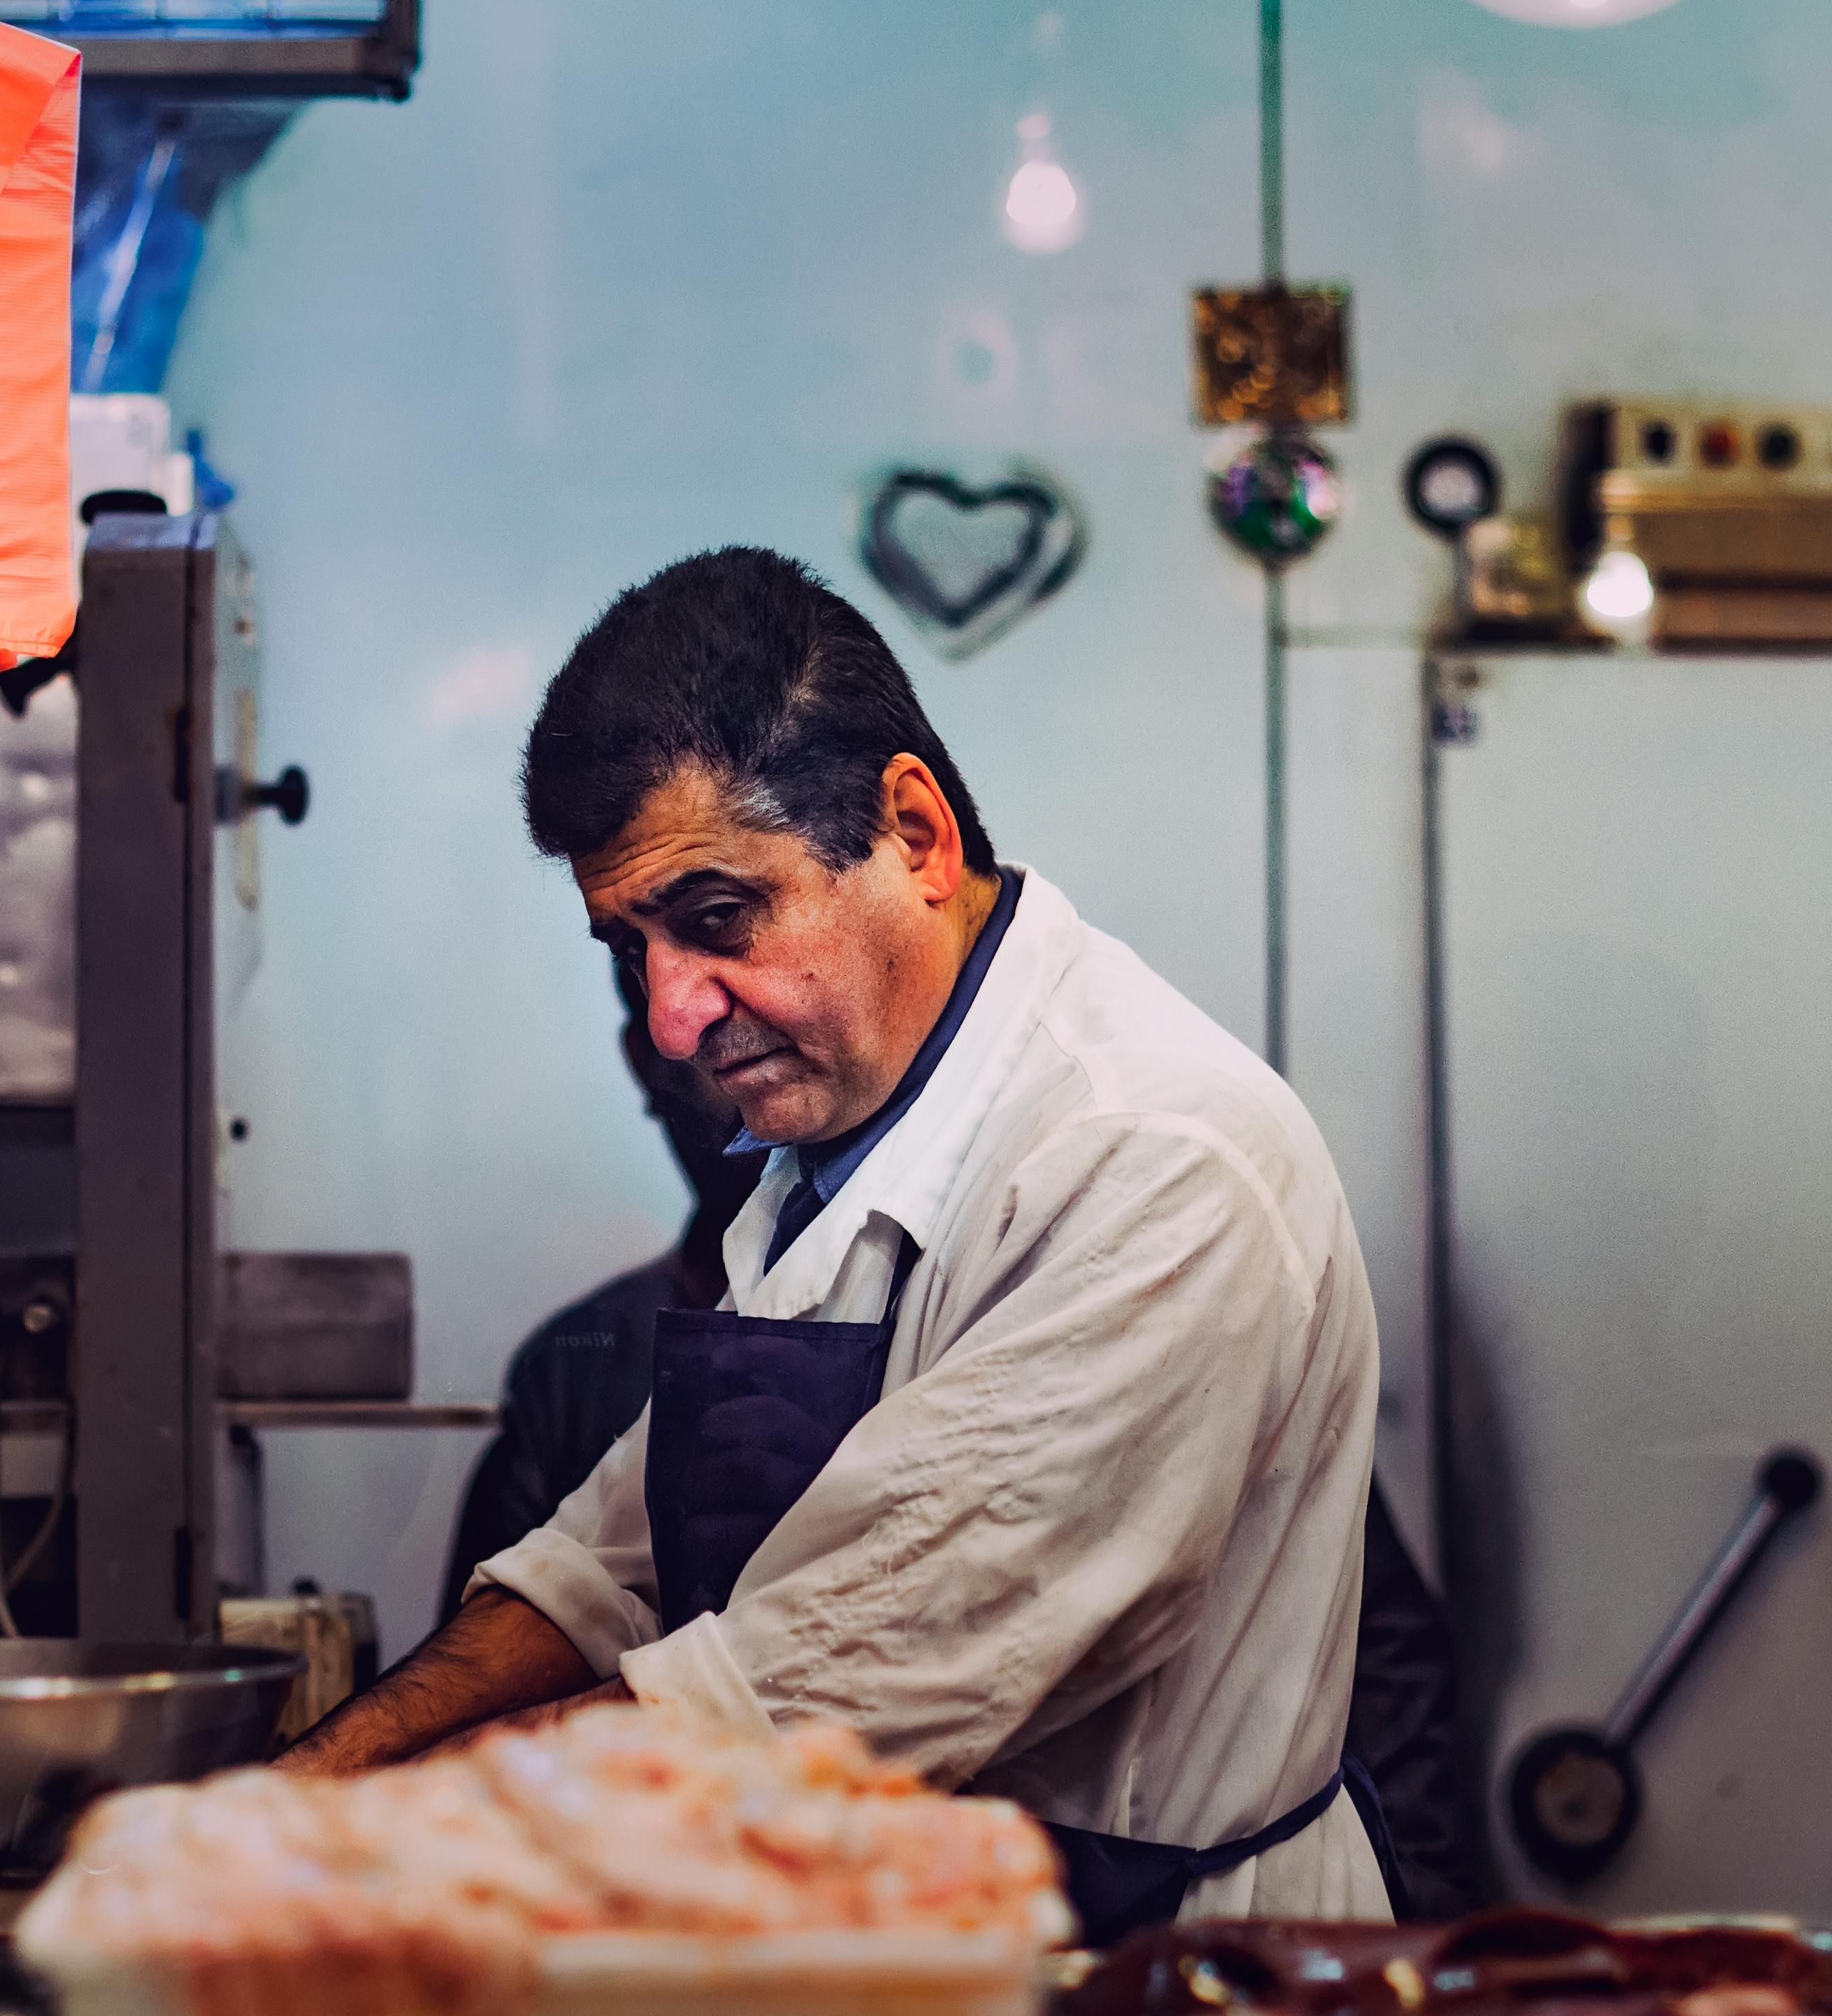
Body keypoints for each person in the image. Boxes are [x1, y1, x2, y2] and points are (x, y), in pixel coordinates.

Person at [286, 548, 1397, 1939]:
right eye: (630, 950)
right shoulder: (846, 1131)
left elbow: (807, 1694)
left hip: (1154, 1997)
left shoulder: (1153, 1159)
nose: (669, 1020)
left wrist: (335, 1865)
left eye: (714, 920)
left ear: (914, 839)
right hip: (906, 1963)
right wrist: (302, 1787)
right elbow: (609, 1570)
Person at [432, 958, 1489, 1919]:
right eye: (640, 966)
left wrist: (1422, 1921)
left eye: (720, 929)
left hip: (1161, 1960)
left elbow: (1374, 1641)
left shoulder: (1137, 1189)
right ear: (637, 1052)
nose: (691, 1025)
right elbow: (560, 1605)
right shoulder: (588, 1361)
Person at [437, 962, 765, 1609]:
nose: (749, 1072)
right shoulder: (573, 1369)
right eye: (705, 1029)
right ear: (642, 1060)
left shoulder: (935, 1297)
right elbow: (485, 1659)